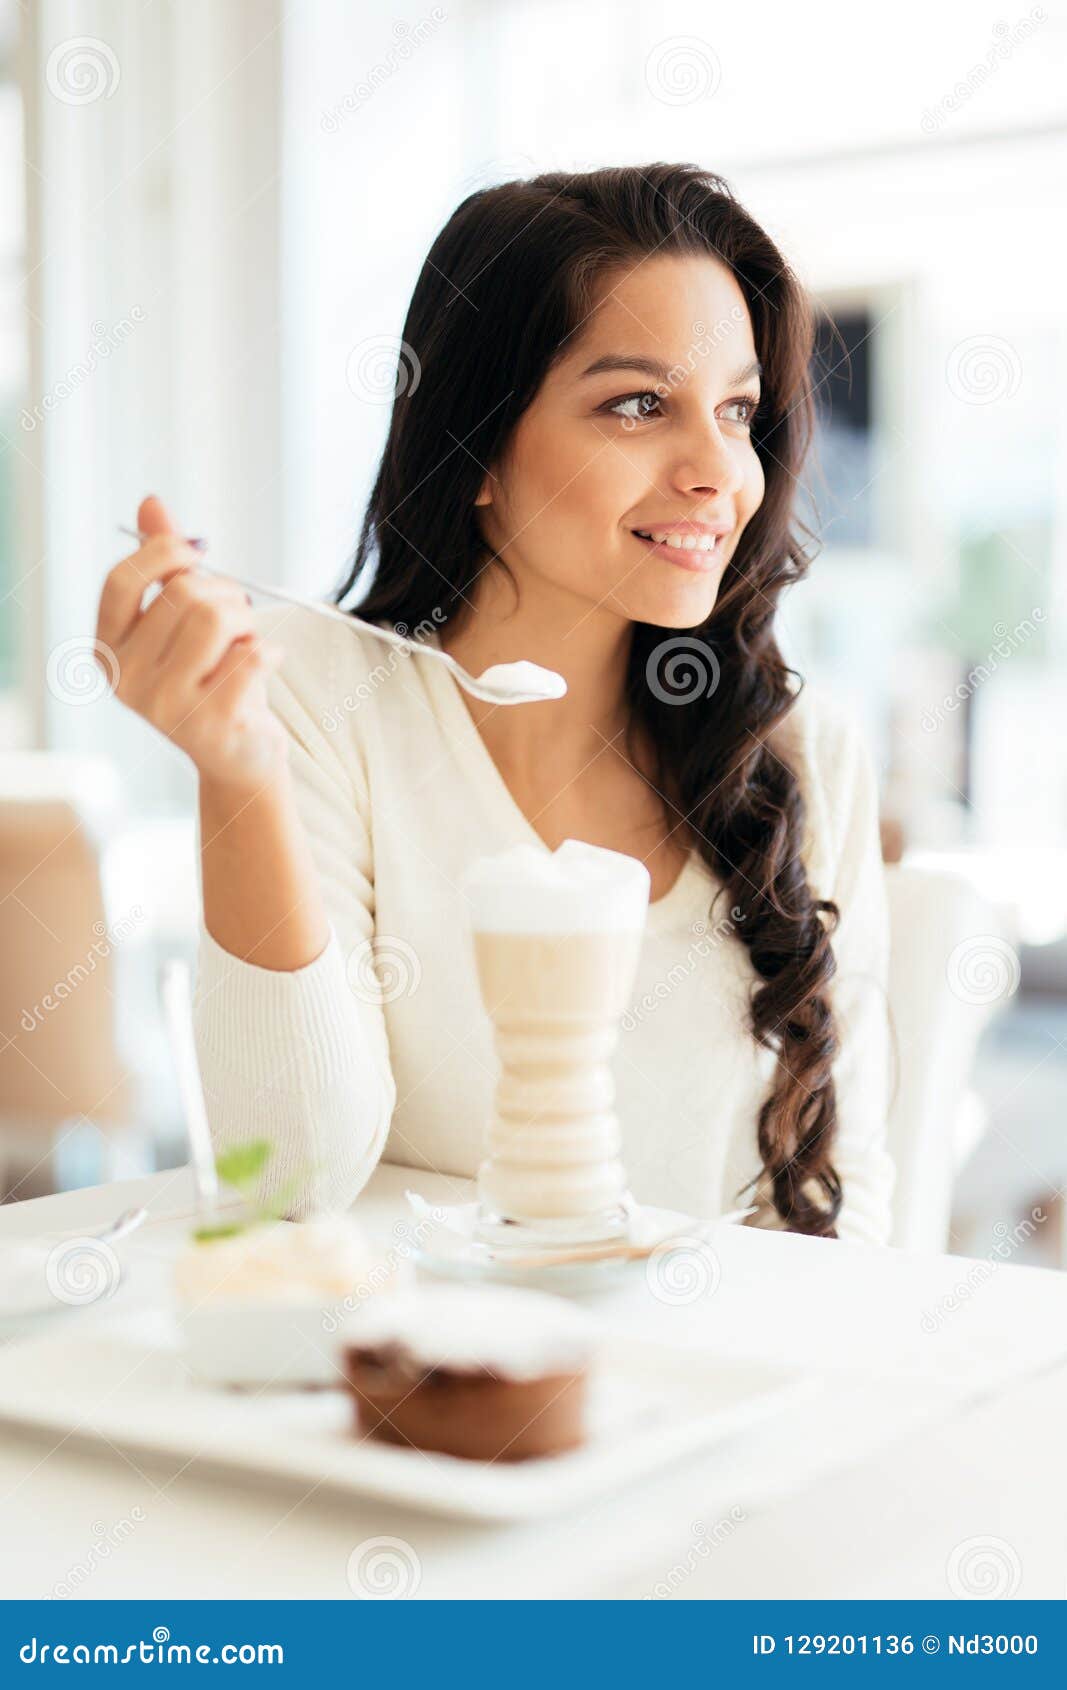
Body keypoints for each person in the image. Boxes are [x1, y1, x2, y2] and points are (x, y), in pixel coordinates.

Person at [96, 163, 895, 1242]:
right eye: (637, 404)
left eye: (737, 410)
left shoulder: (801, 752)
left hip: (719, 1385)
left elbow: (847, 1202)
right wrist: (240, 777)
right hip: (414, 1380)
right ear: (473, 446)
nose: (719, 470)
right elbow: (284, 1179)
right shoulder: (313, 698)